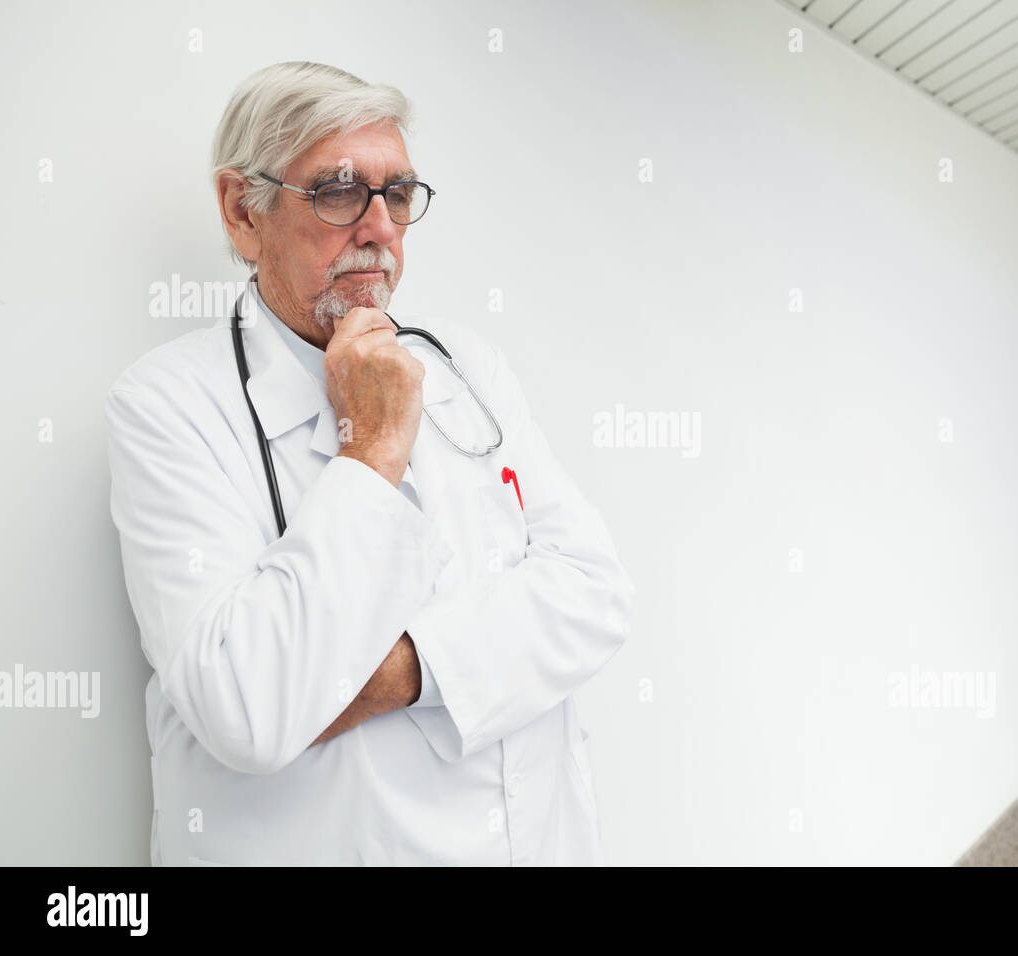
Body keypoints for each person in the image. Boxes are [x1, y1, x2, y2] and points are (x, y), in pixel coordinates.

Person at [104, 61, 635, 866]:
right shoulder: (168, 405)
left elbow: (594, 594)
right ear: (242, 211)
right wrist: (372, 446)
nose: (381, 228)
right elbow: (246, 706)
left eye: (398, 194)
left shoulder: (468, 367)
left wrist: (375, 676)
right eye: (339, 191)